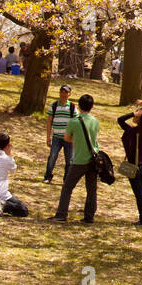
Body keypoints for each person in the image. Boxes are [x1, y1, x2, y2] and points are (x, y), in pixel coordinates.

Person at [53, 93, 102, 223]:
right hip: (93, 159)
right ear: (92, 107)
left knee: (67, 187)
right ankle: (89, 216)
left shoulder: (74, 121)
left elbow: (67, 138)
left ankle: (61, 214)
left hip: (79, 159)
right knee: (91, 190)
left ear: (79, 106)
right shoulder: (95, 122)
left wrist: (76, 139)